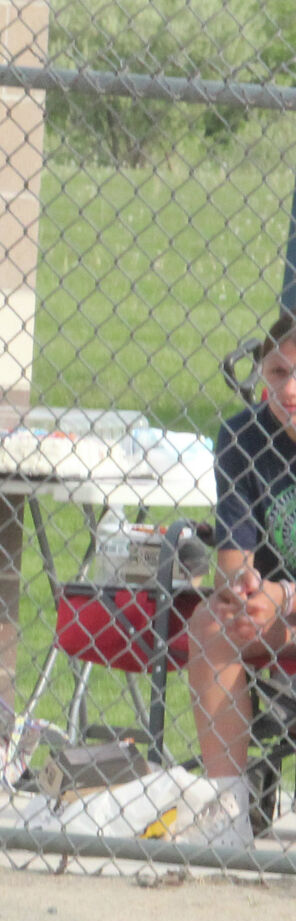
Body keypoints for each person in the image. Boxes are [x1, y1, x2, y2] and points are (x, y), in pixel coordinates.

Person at [183, 311, 296, 847]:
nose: (289, 389)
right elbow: (234, 555)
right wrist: (242, 590)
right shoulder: (242, 435)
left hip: (287, 604)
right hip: (273, 614)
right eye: (277, 372)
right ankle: (227, 813)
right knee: (211, 622)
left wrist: (283, 595)